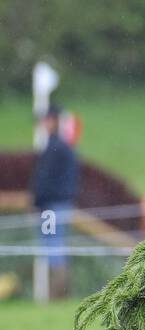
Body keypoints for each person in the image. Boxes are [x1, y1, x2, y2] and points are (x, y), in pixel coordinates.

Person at [31, 104, 81, 300]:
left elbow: (45, 180)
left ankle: (57, 295)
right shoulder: (60, 146)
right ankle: (59, 294)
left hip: (52, 205)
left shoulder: (55, 147)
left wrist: (38, 200)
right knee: (54, 246)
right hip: (56, 204)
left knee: (53, 247)